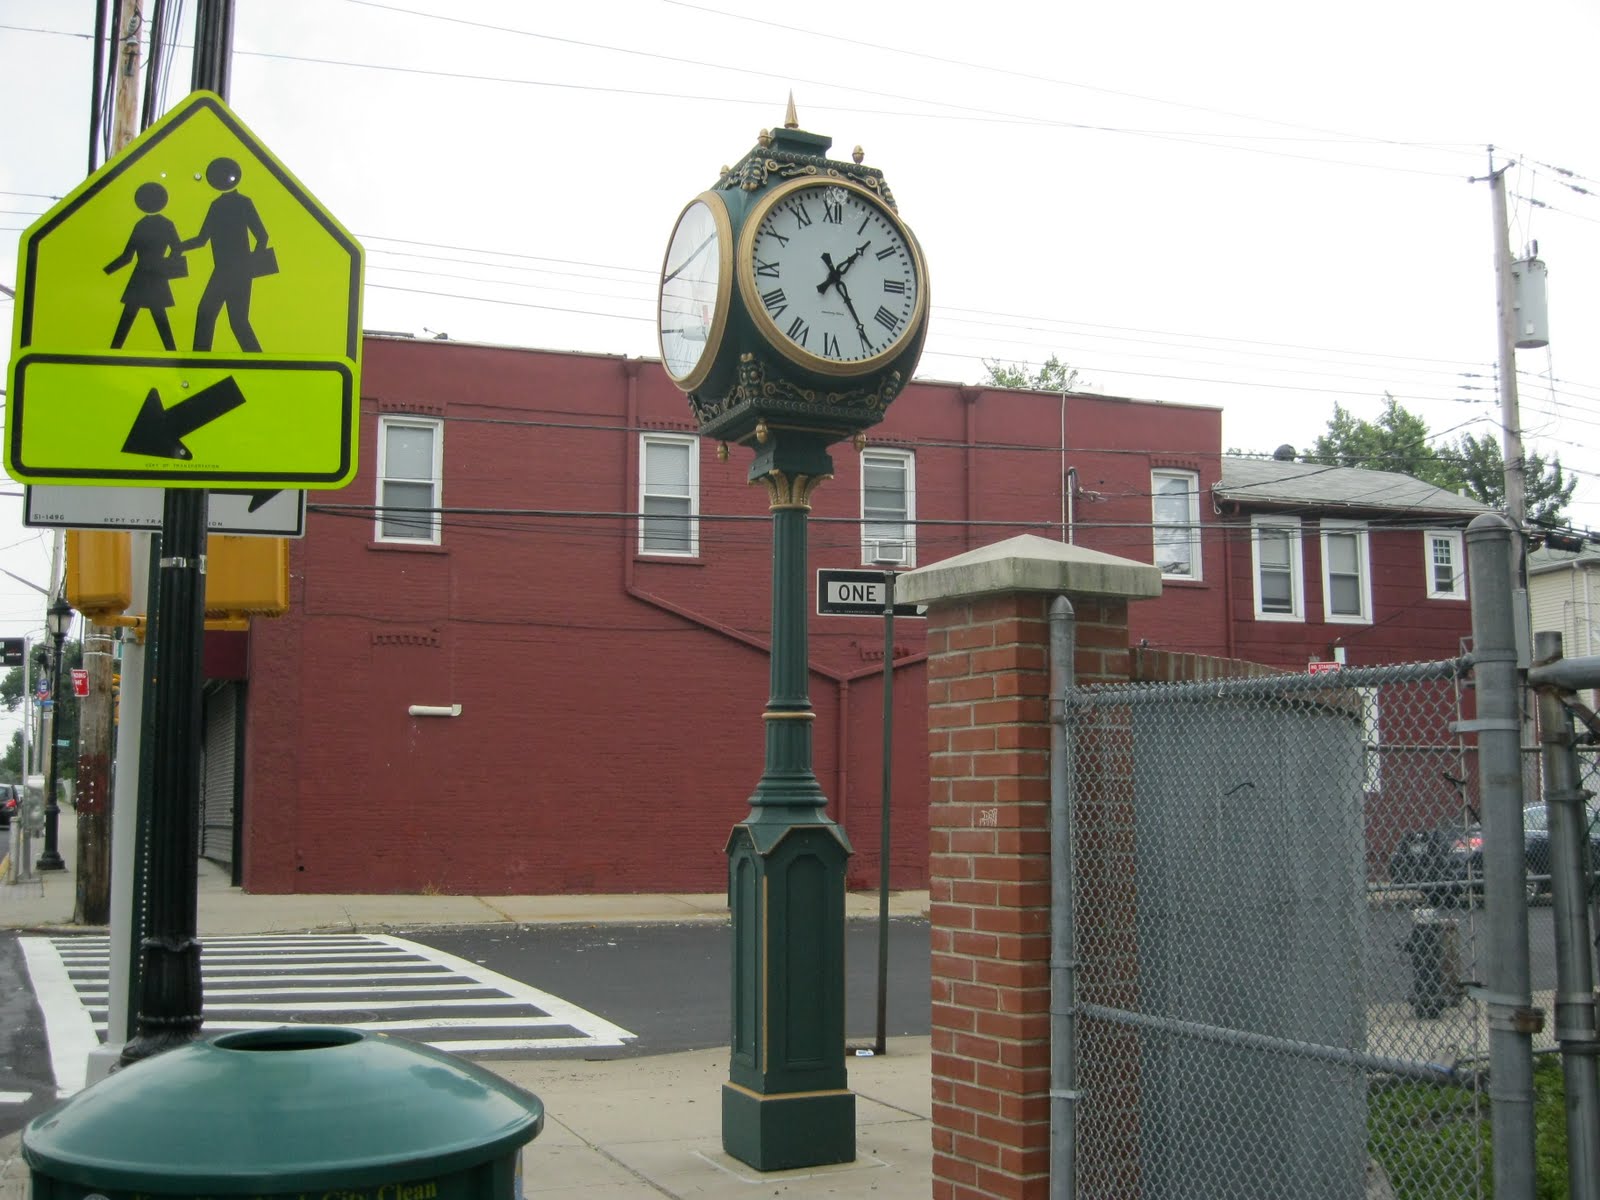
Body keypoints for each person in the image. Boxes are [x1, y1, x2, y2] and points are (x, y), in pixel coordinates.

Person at [183, 155, 272, 352]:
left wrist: (250, 264)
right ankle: (200, 361)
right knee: (214, 315)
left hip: (237, 271)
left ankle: (259, 365)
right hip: (223, 270)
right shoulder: (216, 205)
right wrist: (179, 247)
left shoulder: (244, 203)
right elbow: (202, 239)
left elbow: (262, 236)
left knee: (233, 320)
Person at [104, 181, 185, 351]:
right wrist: (105, 271)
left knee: (139, 315)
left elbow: (127, 257)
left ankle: (113, 352)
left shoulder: (142, 225)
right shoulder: (163, 224)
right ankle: (172, 354)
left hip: (143, 276)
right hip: (152, 276)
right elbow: (177, 249)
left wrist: (107, 271)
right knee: (150, 315)